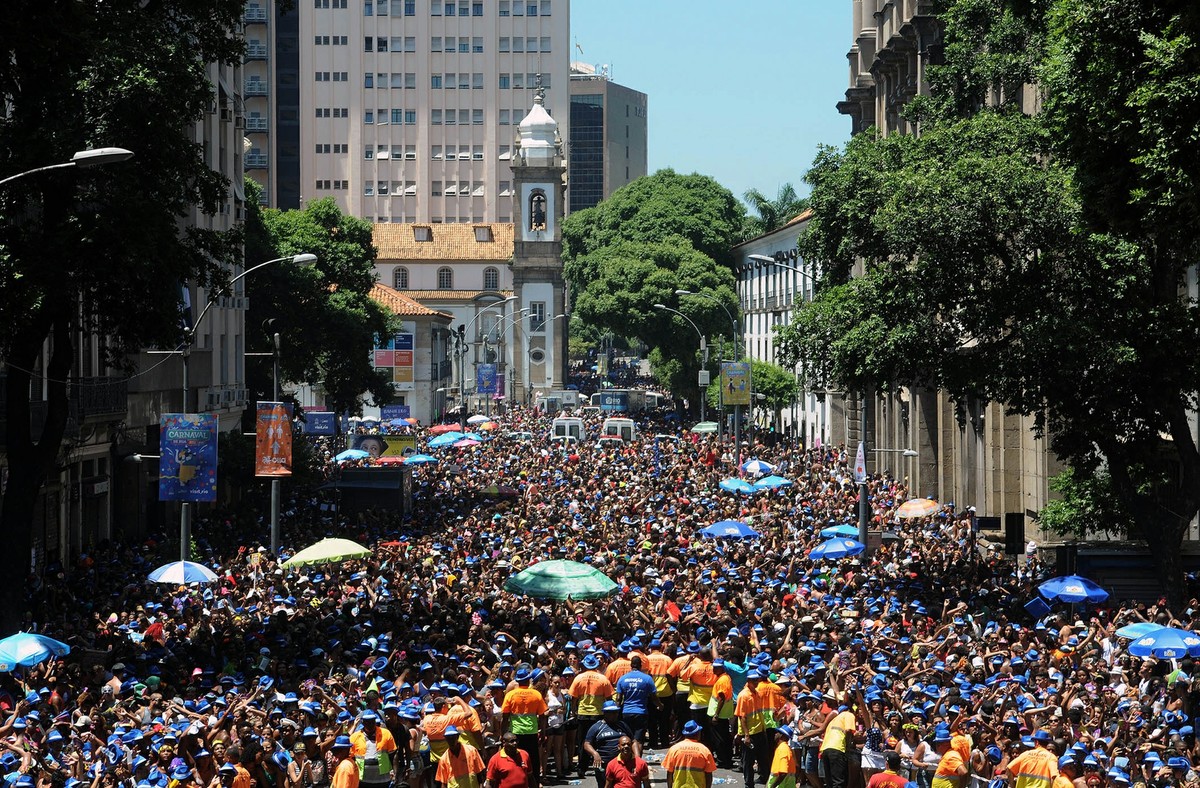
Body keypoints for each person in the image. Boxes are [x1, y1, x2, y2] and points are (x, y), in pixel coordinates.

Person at [501, 668, 548, 788]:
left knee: (517, 761)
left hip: (515, 734)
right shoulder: (536, 694)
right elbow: (542, 717)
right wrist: (542, 733)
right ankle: (535, 784)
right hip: (532, 733)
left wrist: (503, 735)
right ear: (528, 681)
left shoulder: (510, 695)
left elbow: (505, 718)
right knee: (533, 762)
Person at [614, 656, 658, 757]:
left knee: (628, 738)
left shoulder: (623, 679)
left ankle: (629, 760)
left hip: (626, 712)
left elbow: (618, 699)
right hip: (641, 712)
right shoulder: (647, 678)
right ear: (640, 666)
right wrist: (660, 705)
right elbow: (654, 696)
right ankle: (638, 763)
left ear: (631, 665)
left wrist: (616, 713)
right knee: (638, 740)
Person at [584, 703, 634, 788]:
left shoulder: (622, 725)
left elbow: (633, 741)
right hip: (604, 763)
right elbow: (587, 744)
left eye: (616, 712)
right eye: (612, 712)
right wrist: (595, 754)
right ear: (605, 713)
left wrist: (636, 756)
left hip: (622, 762)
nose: (615, 715)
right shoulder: (597, 727)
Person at [663, 720, 718, 788]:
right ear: (698, 733)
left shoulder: (674, 749)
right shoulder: (704, 750)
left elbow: (669, 773)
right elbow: (708, 774)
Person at [351, 710, 398, 788]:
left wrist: (395, 773)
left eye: (372, 721)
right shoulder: (354, 737)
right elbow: (352, 758)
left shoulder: (386, 733)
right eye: (367, 721)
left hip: (383, 779)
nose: (370, 724)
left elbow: (394, 754)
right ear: (363, 722)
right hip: (363, 780)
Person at [708, 658, 735, 770]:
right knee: (724, 738)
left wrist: (716, 715)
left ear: (721, 668)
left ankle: (723, 760)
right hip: (723, 714)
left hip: (719, 714)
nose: (713, 669)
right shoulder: (724, 677)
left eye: (716, 667)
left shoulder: (723, 680)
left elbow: (722, 699)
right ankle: (726, 759)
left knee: (719, 739)